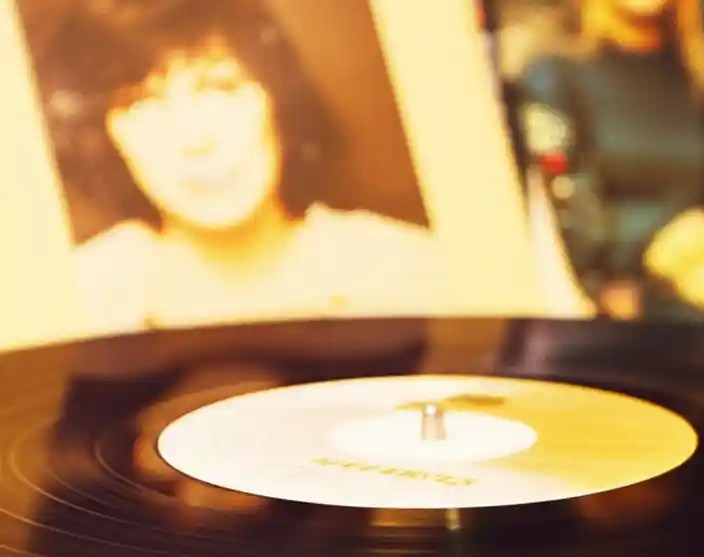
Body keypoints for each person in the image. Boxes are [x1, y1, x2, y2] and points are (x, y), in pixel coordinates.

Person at [31, 0, 441, 334]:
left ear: (277, 100)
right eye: (141, 102)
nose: (195, 139)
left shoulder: (409, 271)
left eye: (220, 87)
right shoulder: (80, 300)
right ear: (104, 136)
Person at [516, 0, 704, 334]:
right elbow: (565, 205)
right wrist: (606, 288)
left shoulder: (702, 77)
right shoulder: (557, 74)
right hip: (623, 309)